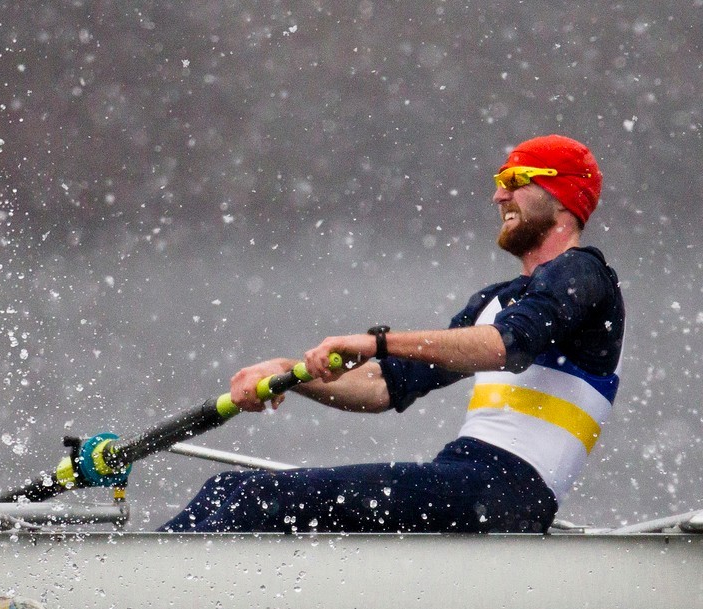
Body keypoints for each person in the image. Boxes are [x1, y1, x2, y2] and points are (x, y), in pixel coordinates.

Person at [161, 134, 623, 534]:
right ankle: (148, 574)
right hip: (466, 481)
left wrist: (376, 341)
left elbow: (509, 345)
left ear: (563, 196)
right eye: (499, 182)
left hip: (510, 493)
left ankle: (152, 582)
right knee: (227, 487)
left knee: (257, 497)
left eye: (515, 180)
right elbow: (384, 385)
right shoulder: (494, 301)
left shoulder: (585, 276)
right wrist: (288, 372)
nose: (498, 196)